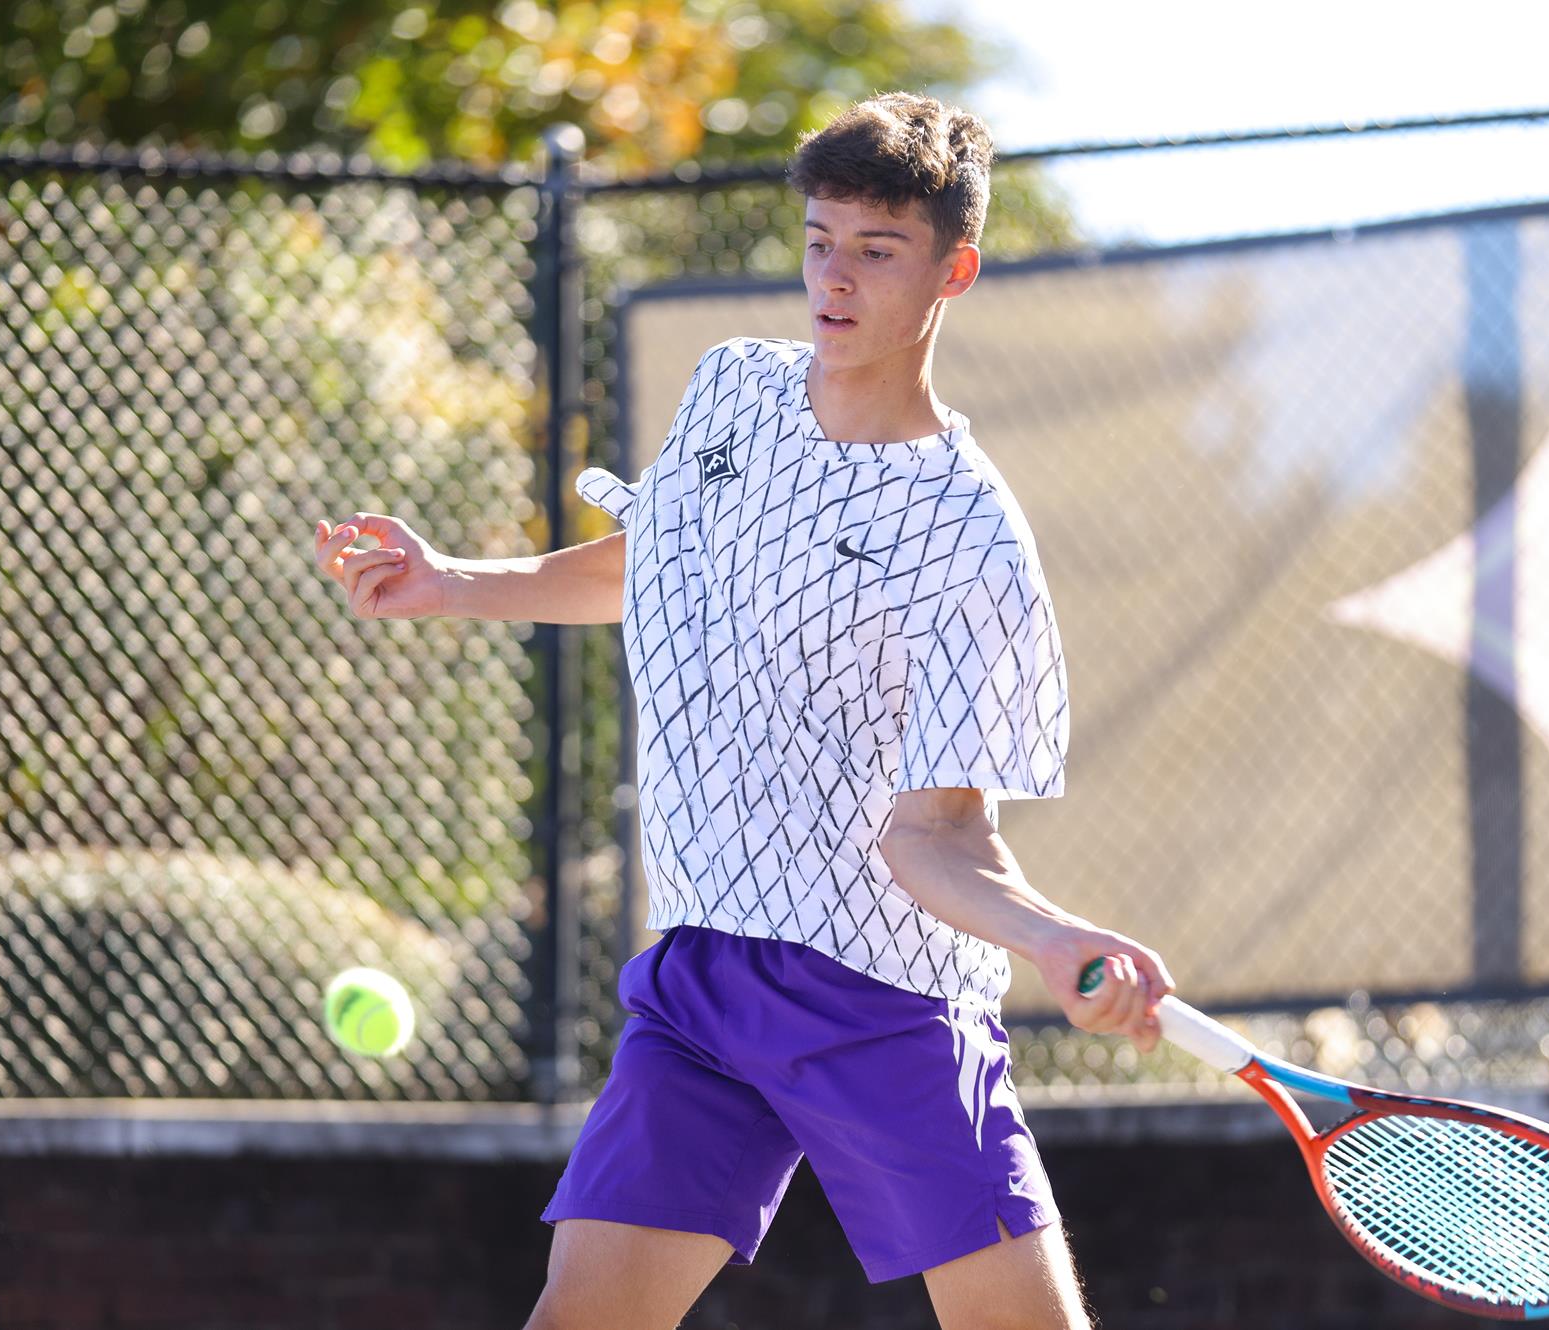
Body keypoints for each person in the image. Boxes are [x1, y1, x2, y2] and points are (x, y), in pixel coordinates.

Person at [314, 91, 1172, 1330]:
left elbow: (934, 833)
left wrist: (1046, 938)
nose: (834, 278)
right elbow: (660, 562)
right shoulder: (733, 393)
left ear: (953, 271)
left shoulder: (974, 545)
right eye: (820, 241)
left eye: (876, 251)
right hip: (700, 976)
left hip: (877, 997)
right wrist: (451, 582)